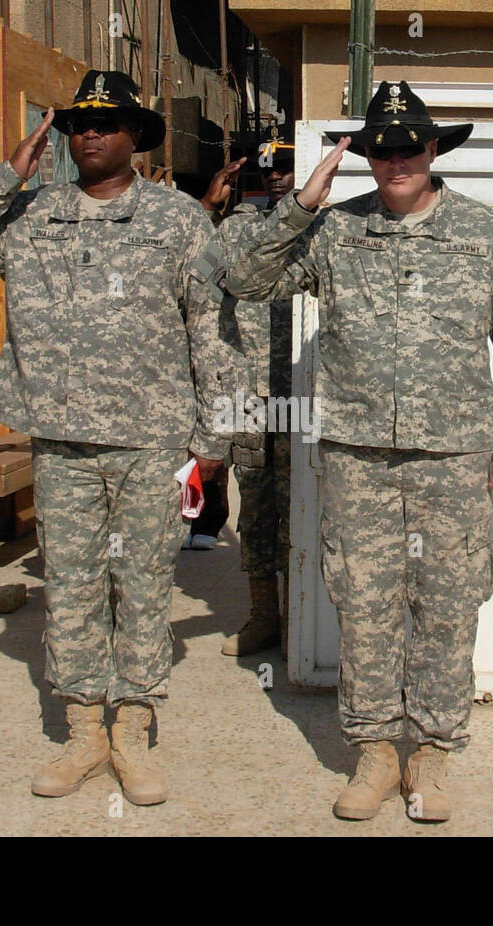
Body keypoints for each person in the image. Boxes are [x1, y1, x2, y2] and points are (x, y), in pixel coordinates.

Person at [226, 82, 493, 822]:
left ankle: (432, 753)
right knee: (364, 608)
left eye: (410, 147)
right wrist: (302, 203)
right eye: (382, 149)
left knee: (447, 606)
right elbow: (243, 276)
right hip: (358, 456)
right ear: (365, 156)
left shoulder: (483, 234)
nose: (396, 160)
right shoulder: (335, 231)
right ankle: (373, 753)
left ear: (435, 151)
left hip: (454, 455)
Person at [0, 70, 240, 807]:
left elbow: (213, 329)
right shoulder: (29, 216)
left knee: (141, 585)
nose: (88, 134)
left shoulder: (177, 220)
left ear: (136, 135)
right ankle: (83, 731)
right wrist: (5, 176)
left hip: (153, 441)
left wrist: (216, 437)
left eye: (106, 122)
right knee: (70, 588)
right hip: (63, 440)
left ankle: (133, 729)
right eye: (77, 123)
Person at [199, 126, 297, 657]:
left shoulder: (329, 226)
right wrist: (207, 211)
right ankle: (265, 615)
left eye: (287, 167)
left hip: (314, 397)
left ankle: (308, 620)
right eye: (271, 170)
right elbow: (189, 275)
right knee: (257, 509)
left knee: (309, 509)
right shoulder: (238, 230)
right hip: (254, 397)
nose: (279, 178)